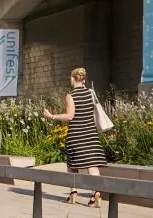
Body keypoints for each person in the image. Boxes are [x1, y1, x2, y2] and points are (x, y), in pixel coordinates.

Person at [43, 67, 106, 206]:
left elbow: (69, 116)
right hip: (91, 134)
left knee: (72, 165)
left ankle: (73, 194)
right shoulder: (91, 93)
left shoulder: (70, 95)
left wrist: (52, 116)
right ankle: (96, 192)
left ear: (72, 79)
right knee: (92, 165)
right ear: (83, 80)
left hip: (76, 135)